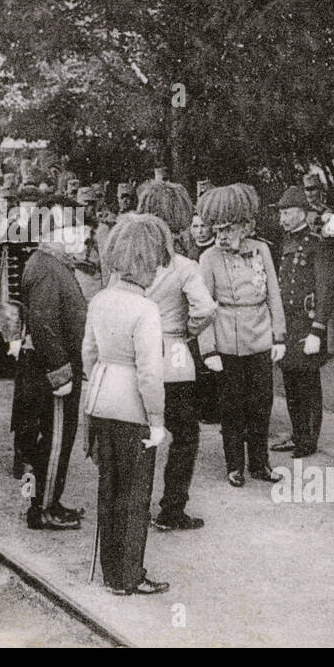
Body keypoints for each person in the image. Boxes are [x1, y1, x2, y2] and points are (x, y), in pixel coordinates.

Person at [83, 214, 171, 595]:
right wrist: (157, 420)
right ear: (145, 263)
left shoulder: (100, 299)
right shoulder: (145, 310)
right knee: (136, 496)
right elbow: (150, 373)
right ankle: (130, 574)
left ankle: (111, 573)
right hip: (133, 407)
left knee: (109, 489)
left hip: (101, 400)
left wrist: (102, 382)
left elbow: (88, 355)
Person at [134, 180, 216, 530]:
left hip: (139, 348)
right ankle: (172, 507)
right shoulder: (184, 266)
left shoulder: (131, 263)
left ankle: (136, 507)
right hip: (176, 348)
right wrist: (188, 332)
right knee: (184, 431)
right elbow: (205, 309)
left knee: (142, 428)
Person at [196, 184, 287, 485]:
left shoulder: (262, 250)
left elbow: (274, 294)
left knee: (262, 404)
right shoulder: (208, 258)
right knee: (231, 406)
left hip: (259, 337)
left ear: (244, 227)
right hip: (226, 340)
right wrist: (208, 350)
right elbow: (204, 307)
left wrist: (279, 336)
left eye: (228, 229)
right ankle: (234, 465)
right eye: (217, 229)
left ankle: (260, 464)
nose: (221, 236)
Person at [14, 195, 89, 530]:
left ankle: (50, 502)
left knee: (58, 439)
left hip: (50, 365)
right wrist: (61, 373)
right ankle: (44, 509)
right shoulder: (47, 268)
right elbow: (44, 324)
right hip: (51, 369)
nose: (84, 236)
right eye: (77, 229)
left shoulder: (51, 264)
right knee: (56, 440)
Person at [271, 186, 334, 459]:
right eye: (282, 214)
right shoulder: (284, 243)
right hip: (288, 324)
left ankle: (309, 438)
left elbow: (326, 288)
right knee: (290, 381)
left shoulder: (316, 244)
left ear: (302, 213)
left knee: (308, 383)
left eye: (288, 213)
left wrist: (318, 328)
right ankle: (298, 434)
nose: (283, 219)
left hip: (307, 324)